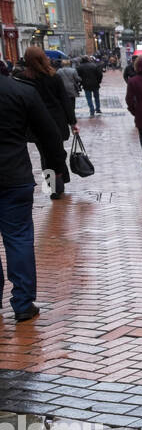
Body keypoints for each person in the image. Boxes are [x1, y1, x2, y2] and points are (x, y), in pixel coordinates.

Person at [0, 69, 69, 322]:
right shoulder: (21, 91)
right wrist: (57, 167)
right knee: (18, 239)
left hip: (14, 178)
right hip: (14, 175)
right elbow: (49, 134)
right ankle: (23, 302)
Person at [14, 47, 75, 200]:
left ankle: (53, 185)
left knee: (45, 155)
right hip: (56, 120)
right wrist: (72, 121)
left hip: (35, 122)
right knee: (58, 152)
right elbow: (64, 100)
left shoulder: (22, 78)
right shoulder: (53, 76)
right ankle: (59, 181)